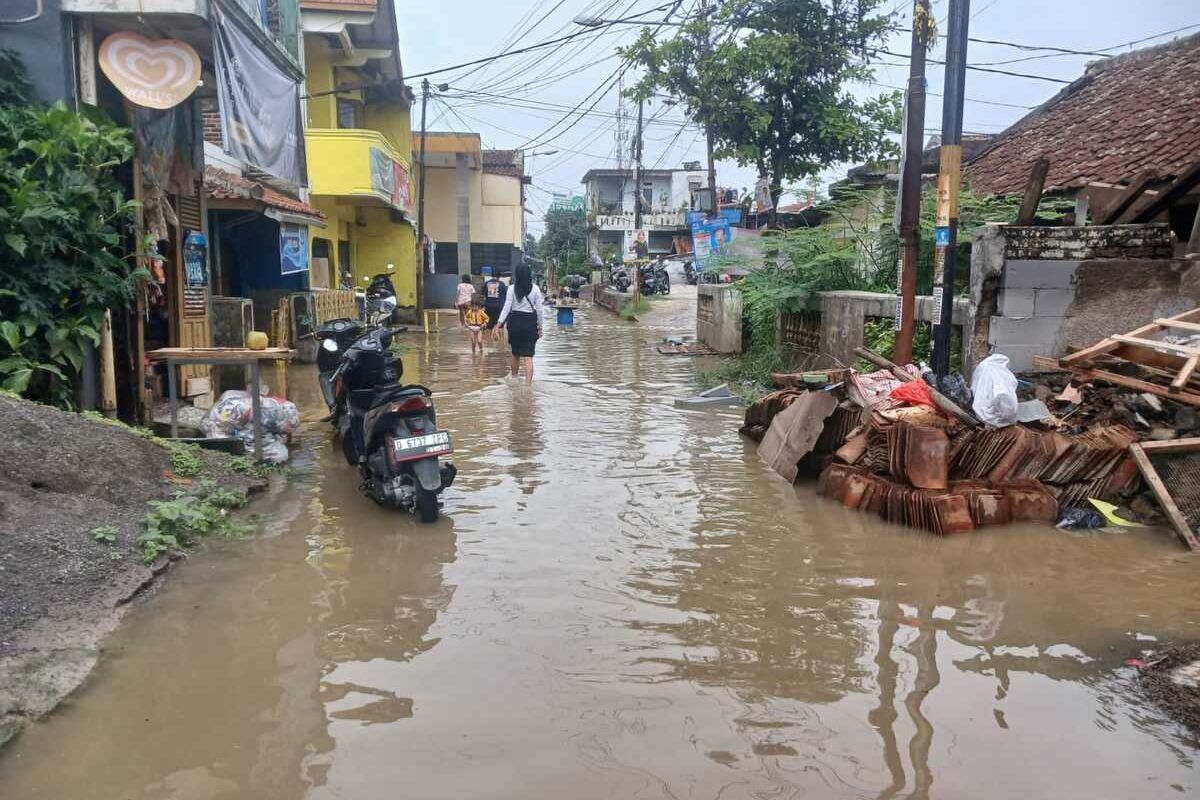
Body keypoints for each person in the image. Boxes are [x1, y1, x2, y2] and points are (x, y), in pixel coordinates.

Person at [495, 262, 544, 383]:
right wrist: (540, 327)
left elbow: (506, 308)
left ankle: (514, 379)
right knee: (528, 357)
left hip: (515, 323)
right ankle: (528, 386)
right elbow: (539, 310)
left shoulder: (511, 289)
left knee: (515, 354)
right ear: (529, 274)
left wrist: (498, 324)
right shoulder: (536, 289)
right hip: (529, 324)